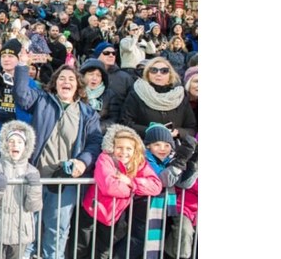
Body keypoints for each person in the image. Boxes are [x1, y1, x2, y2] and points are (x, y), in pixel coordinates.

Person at [12, 56, 103, 259]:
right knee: (28, 230)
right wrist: (22, 65)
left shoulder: (88, 114)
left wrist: (82, 161)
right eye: (61, 78)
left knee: (57, 231)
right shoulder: (42, 100)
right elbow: (21, 95)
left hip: (65, 181)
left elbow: (95, 143)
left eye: (71, 79)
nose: (66, 82)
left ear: (78, 85)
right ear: (55, 83)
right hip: (35, 177)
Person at [74, 124, 163, 259]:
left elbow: (156, 186)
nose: (124, 152)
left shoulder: (139, 163)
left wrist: (131, 182)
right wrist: (132, 191)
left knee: (103, 252)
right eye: (119, 148)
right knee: (81, 249)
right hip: (92, 210)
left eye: (128, 148)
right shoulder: (105, 158)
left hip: (113, 217)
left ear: (135, 150)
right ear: (112, 148)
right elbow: (109, 186)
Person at [117, 124, 198, 259]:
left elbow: (183, 183)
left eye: (167, 145)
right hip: (143, 207)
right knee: (137, 241)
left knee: (152, 242)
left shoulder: (168, 160)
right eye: (157, 145)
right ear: (148, 146)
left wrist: (192, 164)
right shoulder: (144, 159)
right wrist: (180, 161)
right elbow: (163, 181)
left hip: (164, 208)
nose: (163, 149)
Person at [0, 120, 43, 259]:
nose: (15, 144)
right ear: (4, 144)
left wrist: (34, 187)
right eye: (11, 141)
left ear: (26, 146)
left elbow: (33, 206)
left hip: (20, 230)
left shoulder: (32, 171)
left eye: (20, 142)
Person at [121, 57, 197, 140]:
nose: (158, 74)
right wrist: (152, 131)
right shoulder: (136, 93)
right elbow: (126, 123)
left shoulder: (180, 95)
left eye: (164, 71)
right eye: (154, 70)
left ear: (170, 75)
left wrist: (178, 132)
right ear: (147, 74)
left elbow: (191, 128)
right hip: (144, 145)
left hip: (175, 146)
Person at [78, 59, 122, 132]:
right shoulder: (76, 93)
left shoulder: (110, 95)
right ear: (83, 76)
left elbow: (113, 120)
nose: (94, 78)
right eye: (91, 74)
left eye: (98, 75)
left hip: (100, 134)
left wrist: (95, 128)